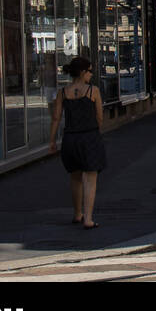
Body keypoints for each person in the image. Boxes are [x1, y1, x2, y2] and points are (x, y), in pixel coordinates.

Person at [49, 57, 107, 229]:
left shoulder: (63, 92)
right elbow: (100, 117)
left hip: (70, 139)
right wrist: (96, 129)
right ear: (82, 72)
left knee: (75, 177)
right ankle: (88, 218)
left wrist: (52, 141)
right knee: (90, 178)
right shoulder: (93, 91)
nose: (91, 74)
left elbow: (56, 118)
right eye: (89, 71)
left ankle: (77, 214)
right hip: (89, 136)